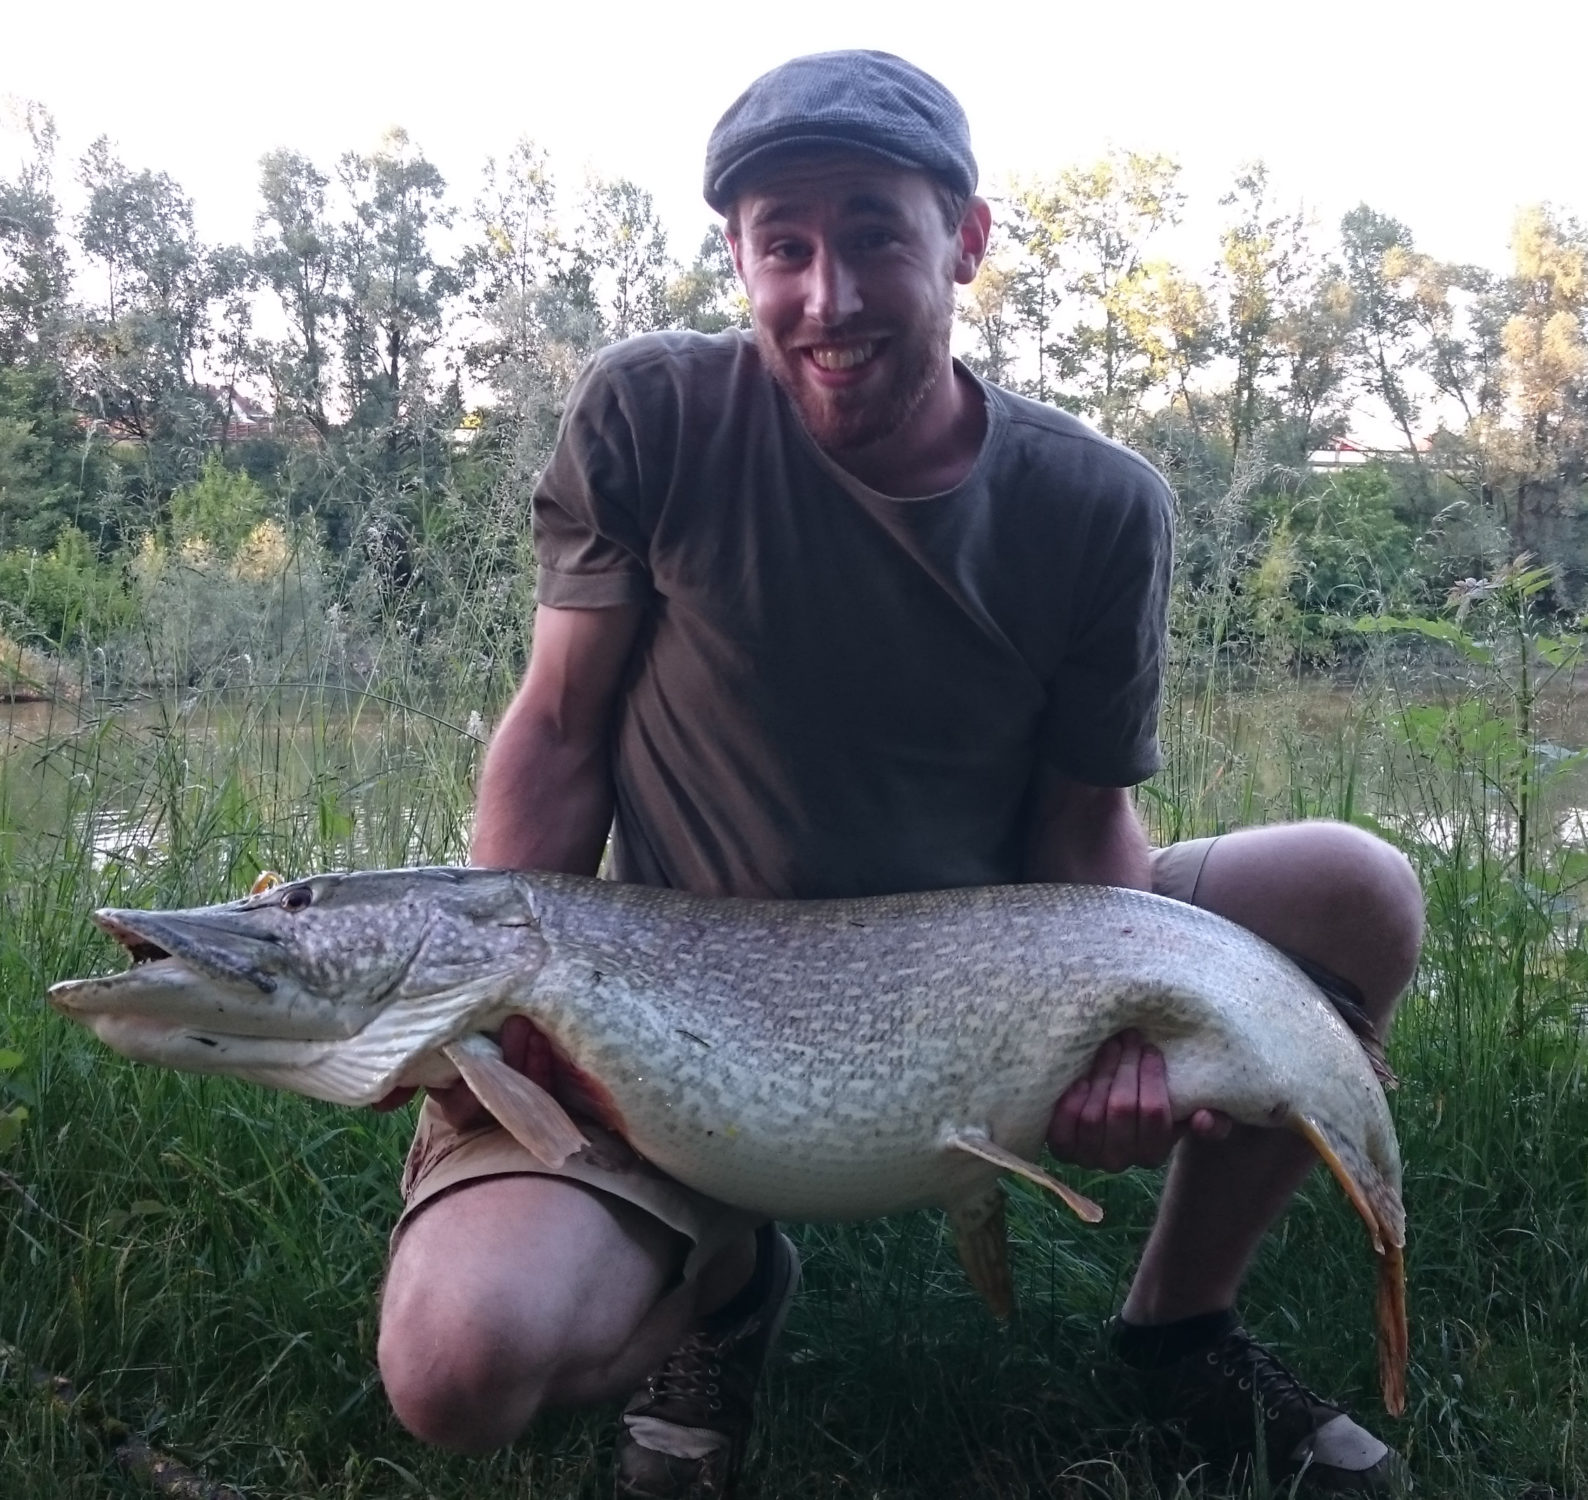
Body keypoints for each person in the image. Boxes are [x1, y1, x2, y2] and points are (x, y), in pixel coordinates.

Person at [374, 50, 1425, 1500]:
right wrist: (498, 1023)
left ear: (966, 243)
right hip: (684, 999)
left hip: (992, 957)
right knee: (457, 1371)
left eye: (875, 233)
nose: (831, 295)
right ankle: (727, 1281)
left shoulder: (1101, 505)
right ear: (737, 258)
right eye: (783, 248)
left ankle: (1177, 1327)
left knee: (1354, 894)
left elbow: (1082, 820)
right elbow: (557, 731)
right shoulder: (648, 418)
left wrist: (1111, 1032)